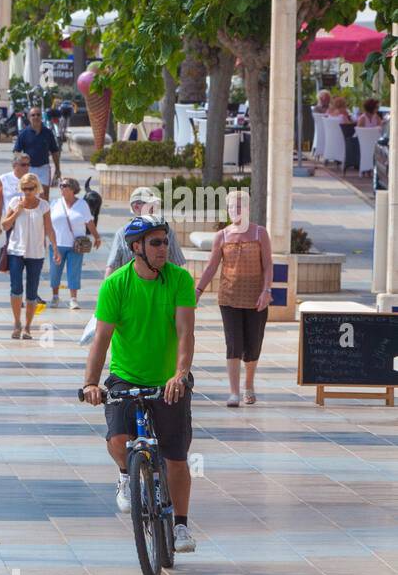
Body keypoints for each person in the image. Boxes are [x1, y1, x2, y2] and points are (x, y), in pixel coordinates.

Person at [81, 215, 197, 553]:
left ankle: (180, 527)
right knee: (118, 439)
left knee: (176, 458)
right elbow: (101, 339)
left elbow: (185, 332)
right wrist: (90, 383)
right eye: (156, 243)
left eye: (166, 242)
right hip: (125, 376)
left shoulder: (179, 280)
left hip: (168, 380)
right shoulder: (116, 284)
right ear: (136, 248)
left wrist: (180, 374)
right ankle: (124, 474)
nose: (165, 248)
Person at [195, 190, 272, 407]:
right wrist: (198, 291)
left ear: (247, 208)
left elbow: (268, 265)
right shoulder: (222, 236)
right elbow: (211, 267)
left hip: (256, 298)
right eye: (230, 207)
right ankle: (234, 392)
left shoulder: (259, 233)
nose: (234, 211)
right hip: (229, 297)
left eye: (238, 207)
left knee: (253, 343)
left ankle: (249, 384)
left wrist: (266, 291)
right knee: (233, 343)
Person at [0, 172, 59, 339]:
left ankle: (27, 327)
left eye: (31, 188)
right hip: (16, 251)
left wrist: (55, 248)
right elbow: (4, 225)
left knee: (32, 291)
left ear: (37, 188)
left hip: (36, 253)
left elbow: (49, 228)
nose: (27, 192)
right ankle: (17, 322)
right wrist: (15, 212)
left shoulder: (44, 206)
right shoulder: (15, 202)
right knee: (16, 288)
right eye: (24, 188)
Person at [104, 186, 185, 275]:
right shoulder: (122, 233)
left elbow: (177, 267)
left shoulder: (168, 232)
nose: (154, 208)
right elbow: (112, 267)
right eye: (150, 205)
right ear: (136, 207)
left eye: (155, 204)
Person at [48, 177, 100, 310]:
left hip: (76, 245)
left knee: (74, 272)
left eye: (65, 186)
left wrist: (96, 237)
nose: (62, 188)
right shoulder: (55, 203)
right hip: (57, 244)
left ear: (73, 189)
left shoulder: (82, 205)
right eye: (61, 186)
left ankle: (73, 299)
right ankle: (55, 296)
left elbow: (89, 222)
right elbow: (47, 223)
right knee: (55, 272)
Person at [13, 105, 61, 197]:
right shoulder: (24, 133)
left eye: (38, 115)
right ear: (29, 117)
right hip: (29, 169)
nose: (36, 117)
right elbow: (16, 151)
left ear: (41, 117)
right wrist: (21, 162)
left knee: (44, 196)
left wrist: (58, 169)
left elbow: (55, 152)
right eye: (33, 115)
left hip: (44, 168)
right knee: (29, 195)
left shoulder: (48, 133)